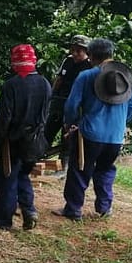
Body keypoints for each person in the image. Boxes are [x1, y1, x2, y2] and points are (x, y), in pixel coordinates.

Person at [52, 38, 132, 221]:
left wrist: (71, 124)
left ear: (91, 56)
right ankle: (104, 209)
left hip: (89, 133)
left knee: (79, 170)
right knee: (105, 170)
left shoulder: (87, 76)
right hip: (115, 136)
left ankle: (73, 210)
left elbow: (71, 105)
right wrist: (119, 124)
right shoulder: (126, 77)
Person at [0, 44, 52, 231]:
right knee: (22, 175)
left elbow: (3, 119)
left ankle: (2, 221)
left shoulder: (12, 85)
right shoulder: (45, 83)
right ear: (34, 60)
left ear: (14, 62)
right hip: (35, 141)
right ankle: (29, 210)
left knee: (6, 179)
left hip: (12, 142)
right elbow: (46, 115)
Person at [43, 34, 92, 173]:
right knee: (48, 130)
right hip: (59, 102)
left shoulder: (89, 66)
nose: (75, 53)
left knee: (68, 137)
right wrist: (51, 97)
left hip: (76, 106)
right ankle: (38, 158)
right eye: (73, 50)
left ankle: (63, 167)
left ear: (86, 51)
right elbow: (59, 79)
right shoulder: (68, 61)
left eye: (79, 51)